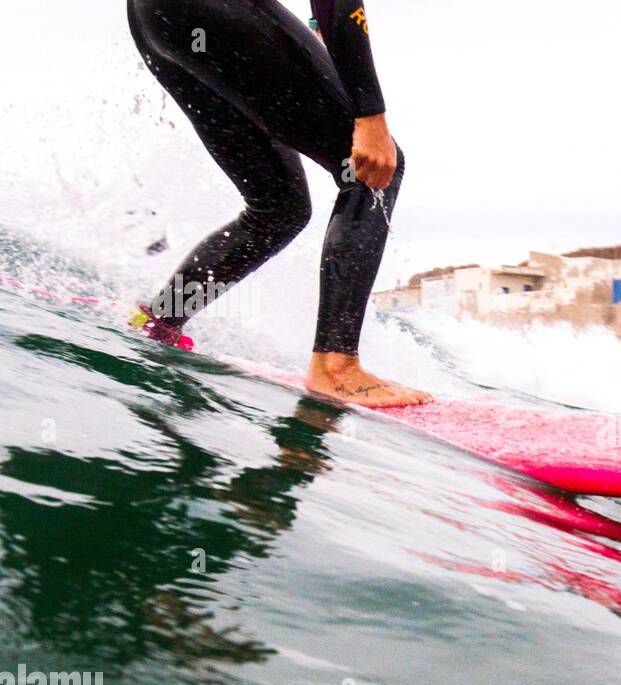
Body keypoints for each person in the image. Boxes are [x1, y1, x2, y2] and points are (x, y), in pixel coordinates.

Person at [127, 0, 432, 407]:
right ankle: (336, 367)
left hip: (155, 20)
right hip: (211, 12)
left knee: (279, 208)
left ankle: (160, 321)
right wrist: (370, 115)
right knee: (372, 171)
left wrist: (315, 27)